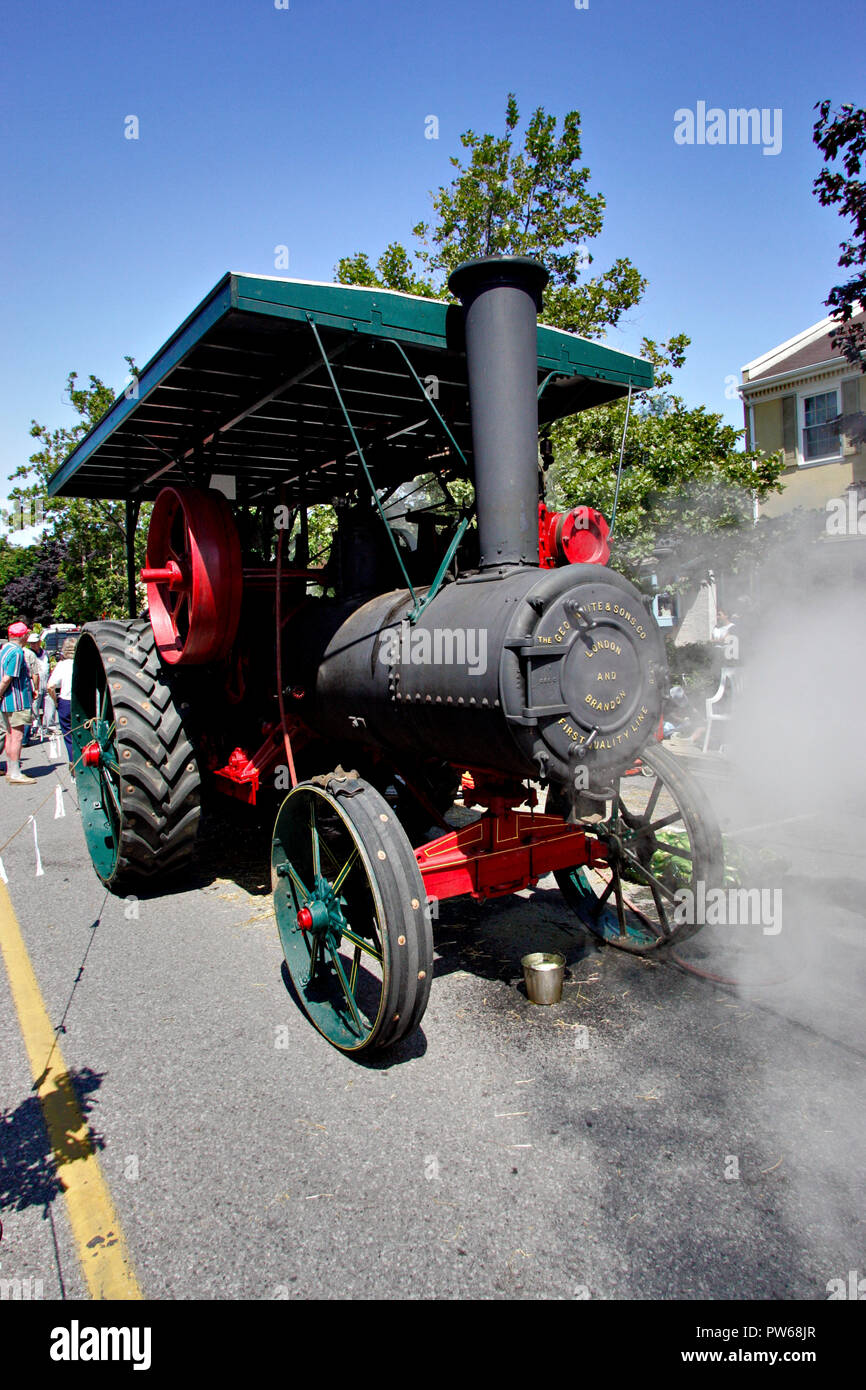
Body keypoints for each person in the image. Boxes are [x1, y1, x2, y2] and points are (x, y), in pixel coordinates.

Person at [0, 620, 36, 784]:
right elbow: (8, 678)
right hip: (17, 700)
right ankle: (15, 773)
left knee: (9, 735)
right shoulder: (17, 653)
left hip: (7, 702)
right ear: (23, 636)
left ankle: (11, 770)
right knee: (17, 736)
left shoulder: (4, 649)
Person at [46, 636, 77, 769]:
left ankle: (73, 762)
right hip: (83, 703)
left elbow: (50, 686)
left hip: (65, 701)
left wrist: (55, 701)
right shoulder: (84, 664)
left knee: (69, 735)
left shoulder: (62, 665)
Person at [23, 631, 49, 745]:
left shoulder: (45, 653)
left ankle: (46, 727)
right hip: (33, 684)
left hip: (45, 683)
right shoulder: (28, 654)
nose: (33, 645)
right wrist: (36, 688)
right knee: (33, 710)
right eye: (31, 643)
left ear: (39, 642)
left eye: (35, 642)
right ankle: (31, 731)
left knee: (48, 708)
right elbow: (34, 673)